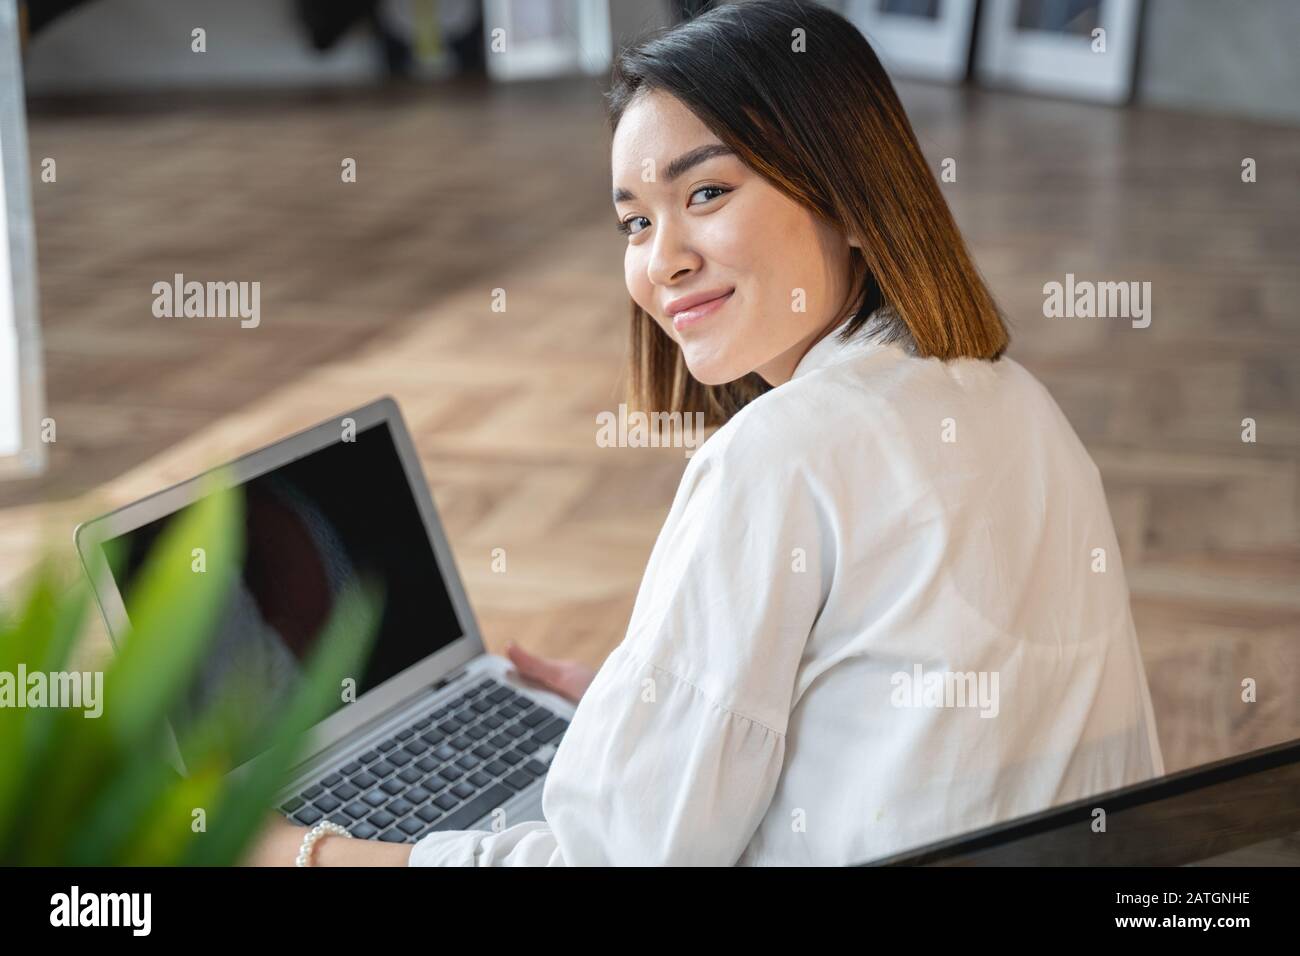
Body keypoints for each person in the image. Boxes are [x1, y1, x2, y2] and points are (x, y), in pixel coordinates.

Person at [245, 0, 1163, 868]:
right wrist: (667, 715)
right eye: (635, 221)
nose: (662, 259)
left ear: (847, 194)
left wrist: (309, 854)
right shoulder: (1016, 399)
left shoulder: (780, 455)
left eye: (709, 192)